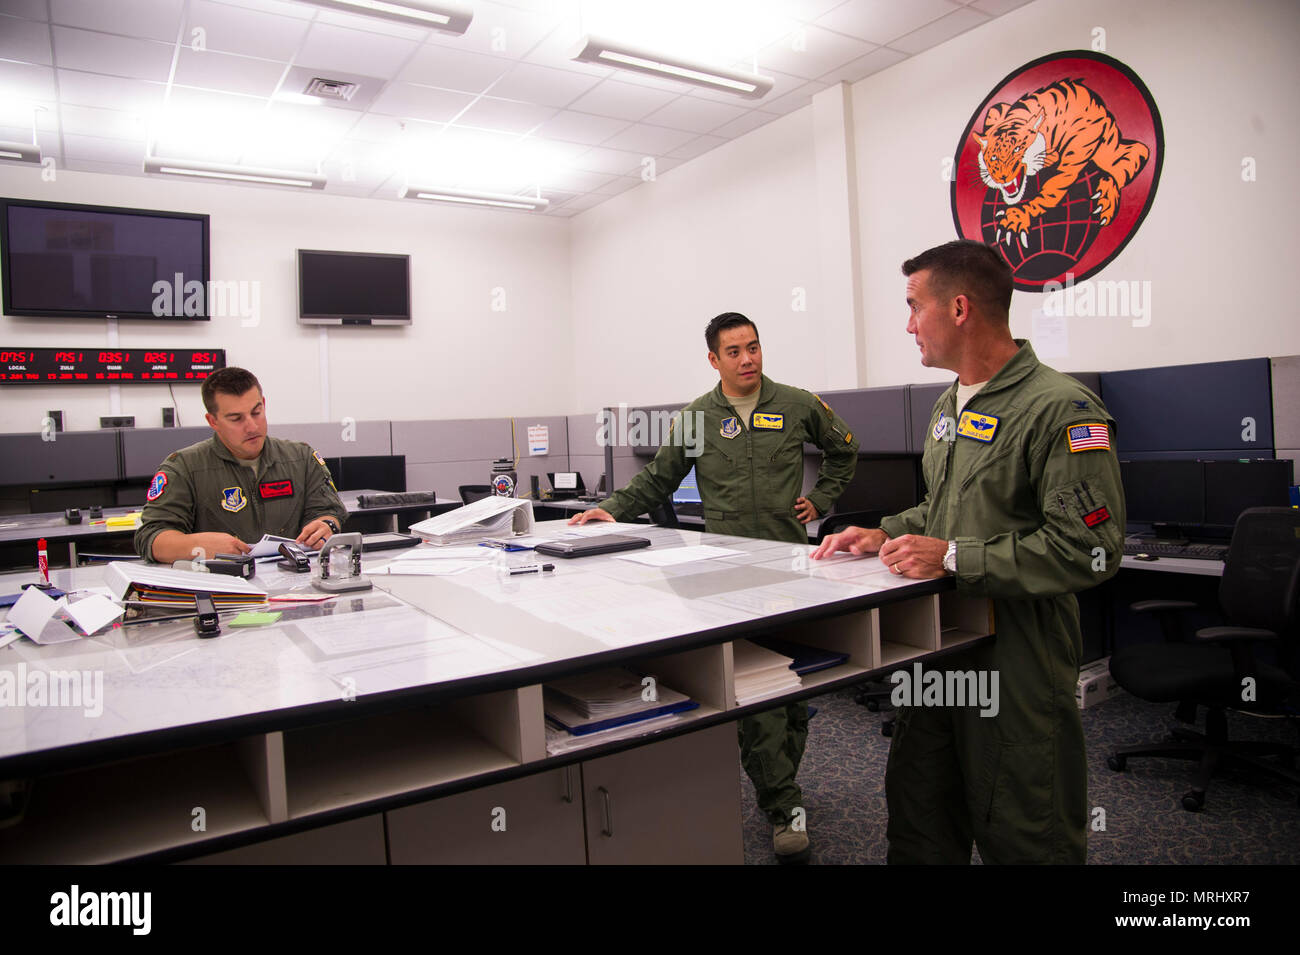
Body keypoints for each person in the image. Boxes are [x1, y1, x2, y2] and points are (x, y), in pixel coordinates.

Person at [812, 240, 1124, 864]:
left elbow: (1089, 548)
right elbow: (946, 507)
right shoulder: (948, 405)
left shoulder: (1062, 410)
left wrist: (953, 557)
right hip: (936, 656)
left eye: (912, 307)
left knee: (1027, 829)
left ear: (958, 309)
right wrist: (885, 531)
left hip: (1016, 663)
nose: (906, 325)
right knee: (922, 817)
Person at [570, 312, 859, 862]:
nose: (748, 359)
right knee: (758, 694)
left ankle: (775, 782)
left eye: (754, 348)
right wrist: (609, 509)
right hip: (727, 574)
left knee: (791, 687)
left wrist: (821, 500)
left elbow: (846, 448)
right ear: (714, 360)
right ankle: (782, 803)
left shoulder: (797, 403)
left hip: (789, 566)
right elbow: (659, 478)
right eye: (735, 352)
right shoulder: (697, 417)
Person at [134, 366, 347, 563]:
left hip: (297, 585)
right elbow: (150, 537)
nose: (252, 426)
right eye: (236, 418)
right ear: (213, 421)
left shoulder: (301, 457)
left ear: (264, 404)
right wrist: (194, 545)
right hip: (223, 591)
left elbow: (329, 511)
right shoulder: (184, 468)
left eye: (256, 412)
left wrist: (326, 525)